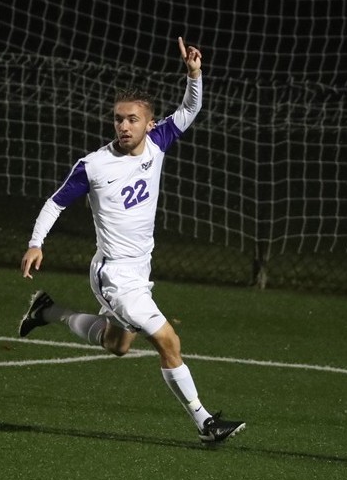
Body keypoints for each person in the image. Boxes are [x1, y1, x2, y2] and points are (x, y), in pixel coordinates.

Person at [19, 37, 245, 443]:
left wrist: (194, 75)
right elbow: (55, 203)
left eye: (132, 120)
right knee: (168, 341)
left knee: (117, 344)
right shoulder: (93, 166)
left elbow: (189, 110)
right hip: (115, 275)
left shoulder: (157, 144)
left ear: (149, 124)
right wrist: (37, 243)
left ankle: (47, 311)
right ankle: (206, 423)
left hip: (139, 270)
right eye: (118, 119)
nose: (124, 126)